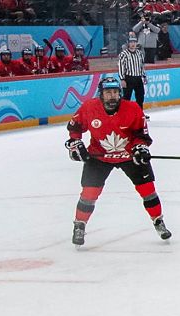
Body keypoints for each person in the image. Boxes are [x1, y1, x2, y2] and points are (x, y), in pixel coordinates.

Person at [64, 75, 171, 248]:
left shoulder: (132, 108)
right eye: (108, 93)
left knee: (148, 190)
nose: (112, 96)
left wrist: (140, 147)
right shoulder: (89, 107)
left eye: (115, 92)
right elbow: (74, 128)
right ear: (101, 94)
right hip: (99, 156)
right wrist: (75, 143)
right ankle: (79, 225)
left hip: (129, 155)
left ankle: (158, 221)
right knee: (89, 194)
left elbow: (141, 135)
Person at [117, 34, 146, 108]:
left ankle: (140, 113)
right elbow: (121, 67)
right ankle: (124, 114)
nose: (133, 44)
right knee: (127, 97)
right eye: (131, 42)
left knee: (140, 96)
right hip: (128, 78)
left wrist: (144, 75)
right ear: (128, 43)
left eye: (134, 42)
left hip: (138, 78)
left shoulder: (139, 53)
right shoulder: (124, 54)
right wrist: (122, 79)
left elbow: (142, 65)